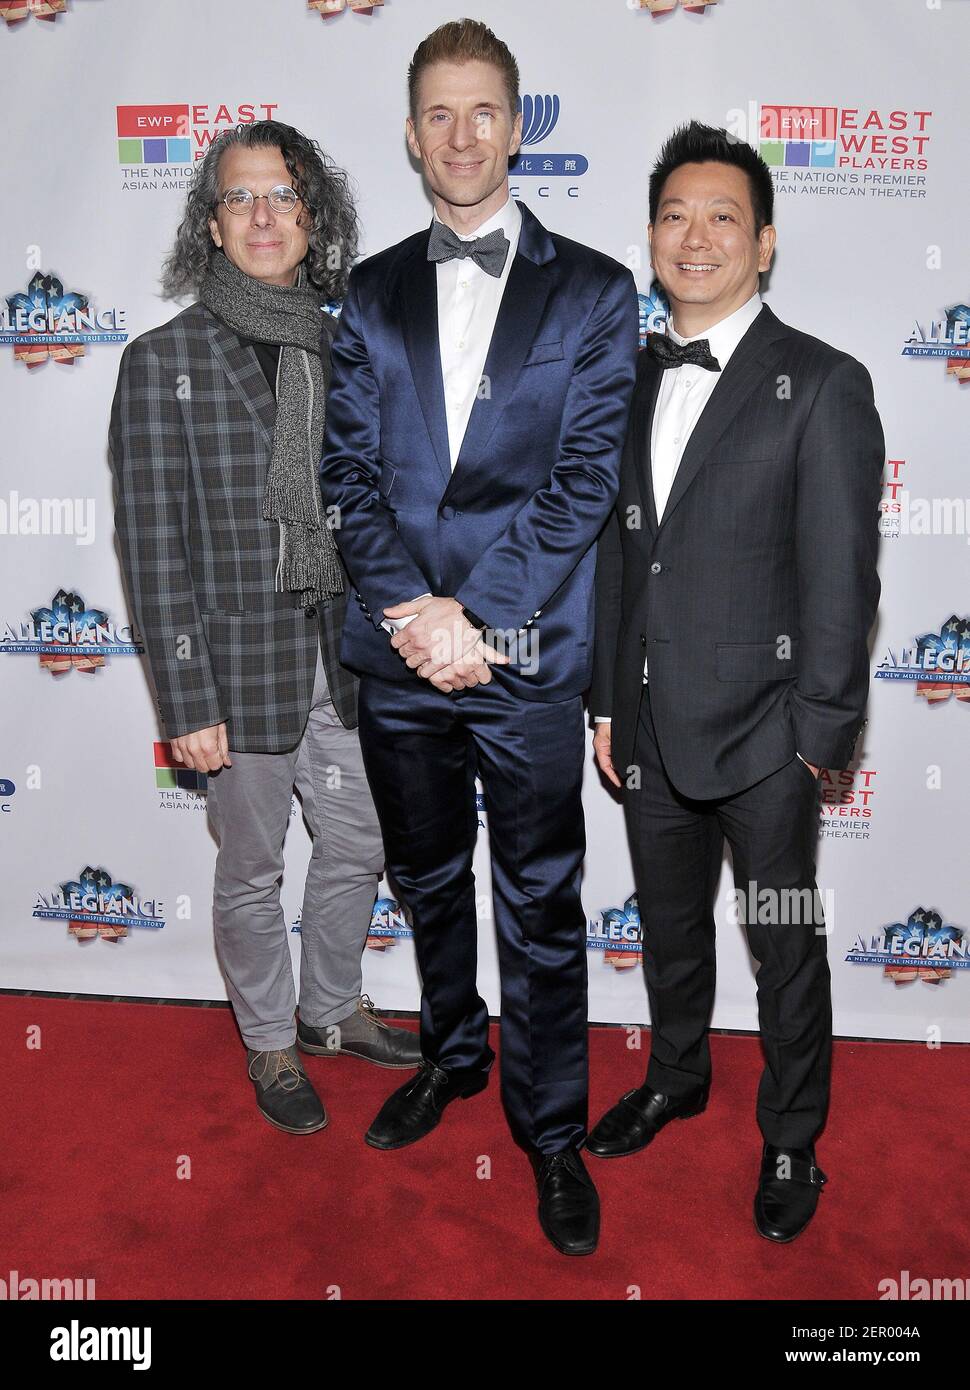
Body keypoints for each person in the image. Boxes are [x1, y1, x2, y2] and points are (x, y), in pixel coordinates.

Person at [321, 20, 638, 1255]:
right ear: (411, 136)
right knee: (429, 876)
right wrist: (419, 616)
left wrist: (478, 618)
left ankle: (550, 1128)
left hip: (522, 652)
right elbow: (346, 472)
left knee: (541, 899)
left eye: (484, 112)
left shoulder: (599, 291)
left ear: (520, 125)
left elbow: (579, 482)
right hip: (400, 649)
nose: (462, 136)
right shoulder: (368, 288)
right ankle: (452, 1052)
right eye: (438, 115)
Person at [589, 121, 883, 1242]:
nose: (695, 237)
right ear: (651, 236)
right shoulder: (625, 377)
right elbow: (623, 556)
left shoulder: (822, 384)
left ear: (763, 242)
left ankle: (793, 1136)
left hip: (767, 740)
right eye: (673, 216)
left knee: (780, 940)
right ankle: (674, 1076)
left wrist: (820, 737)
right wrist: (608, 701)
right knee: (669, 927)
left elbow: (839, 579)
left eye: (721, 218)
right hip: (651, 730)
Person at [109, 119, 421, 1138]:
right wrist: (184, 701)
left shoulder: (351, 346)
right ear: (211, 222)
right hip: (235, 669)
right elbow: (153, 547)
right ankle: (271, 1040)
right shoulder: (164, 360)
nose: (262, 215)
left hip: (349, 656)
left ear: (311, 218)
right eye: (241, 197)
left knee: (361, 838)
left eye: (282, 195)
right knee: (250, 867)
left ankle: (332, 1010)